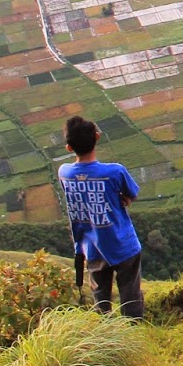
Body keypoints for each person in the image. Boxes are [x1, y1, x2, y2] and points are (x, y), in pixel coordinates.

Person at [59, 116, 144, 318]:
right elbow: (131, 194)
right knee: (130, 295)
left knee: (101, 301)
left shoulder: (64, 172)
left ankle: (106, 339)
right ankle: (135, 337)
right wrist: (121, 199)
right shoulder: (115, 171)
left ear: (69, 148)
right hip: (123, 243)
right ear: (97, 137)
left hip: (91, 247)